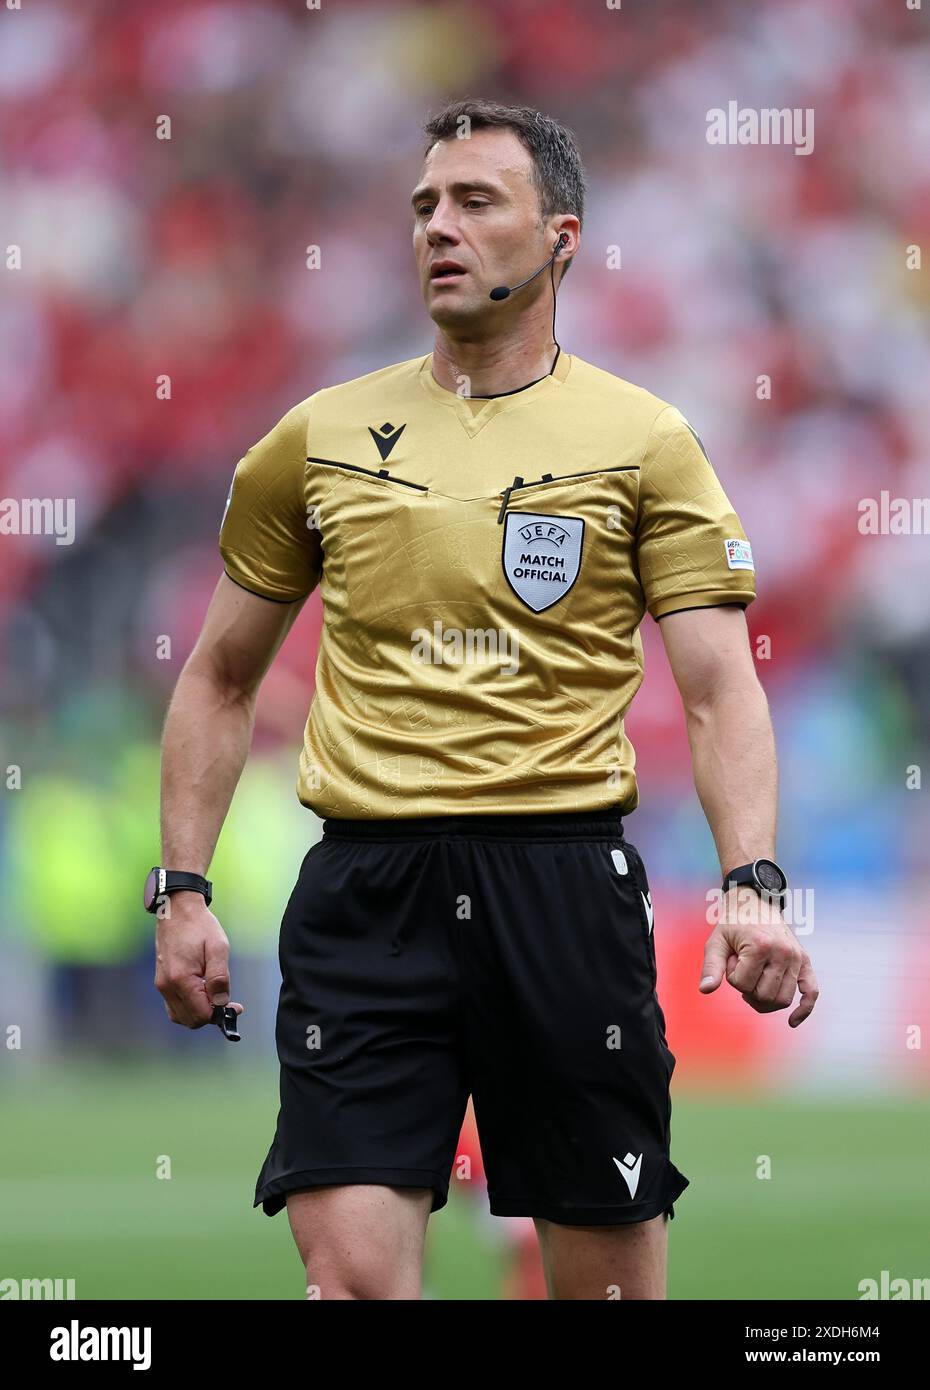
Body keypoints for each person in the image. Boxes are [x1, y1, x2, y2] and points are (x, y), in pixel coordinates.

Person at [150, 98, 819, 1300]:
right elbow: (218, 675)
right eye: (422, 207)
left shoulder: (646, 439)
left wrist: (754, 881)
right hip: (368, 894)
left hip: (562, 886)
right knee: (352, 1284)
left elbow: (721, 689)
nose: (437, 229)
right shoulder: (318, 437)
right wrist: (183, 888)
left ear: (561, 236)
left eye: (474, 202)